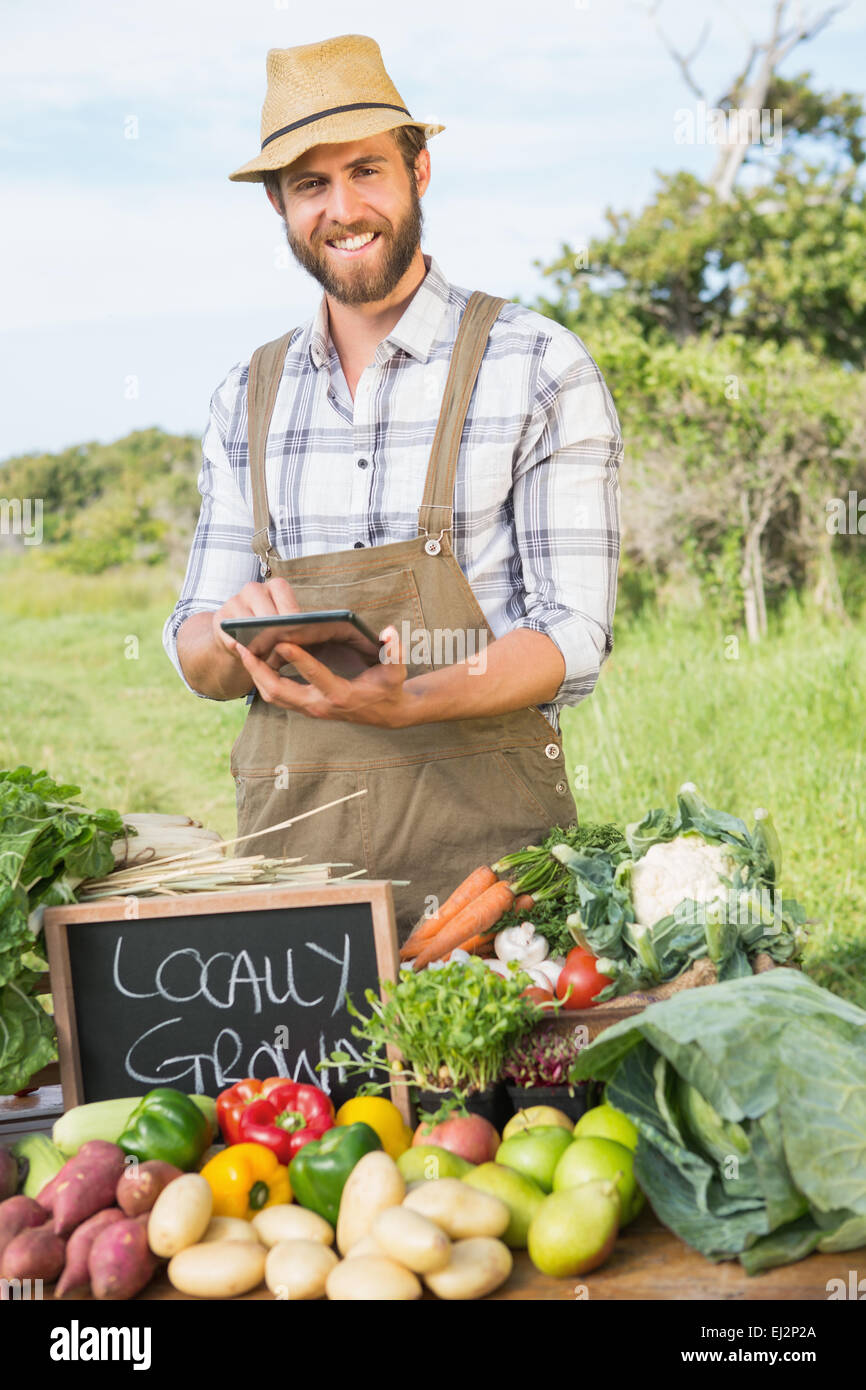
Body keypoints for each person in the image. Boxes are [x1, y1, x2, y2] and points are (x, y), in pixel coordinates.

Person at [163, 34, 623, 941]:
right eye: (310, 185)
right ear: (278, 203)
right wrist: (230, 629)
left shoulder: (535, 364)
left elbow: (573, 635)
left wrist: (411, 698)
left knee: (505, 1087)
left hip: (489, 883)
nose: (344, 209)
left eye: (367, 170)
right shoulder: (244, 396)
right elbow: (195, 653)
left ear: (419, 167)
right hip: (296, 893)